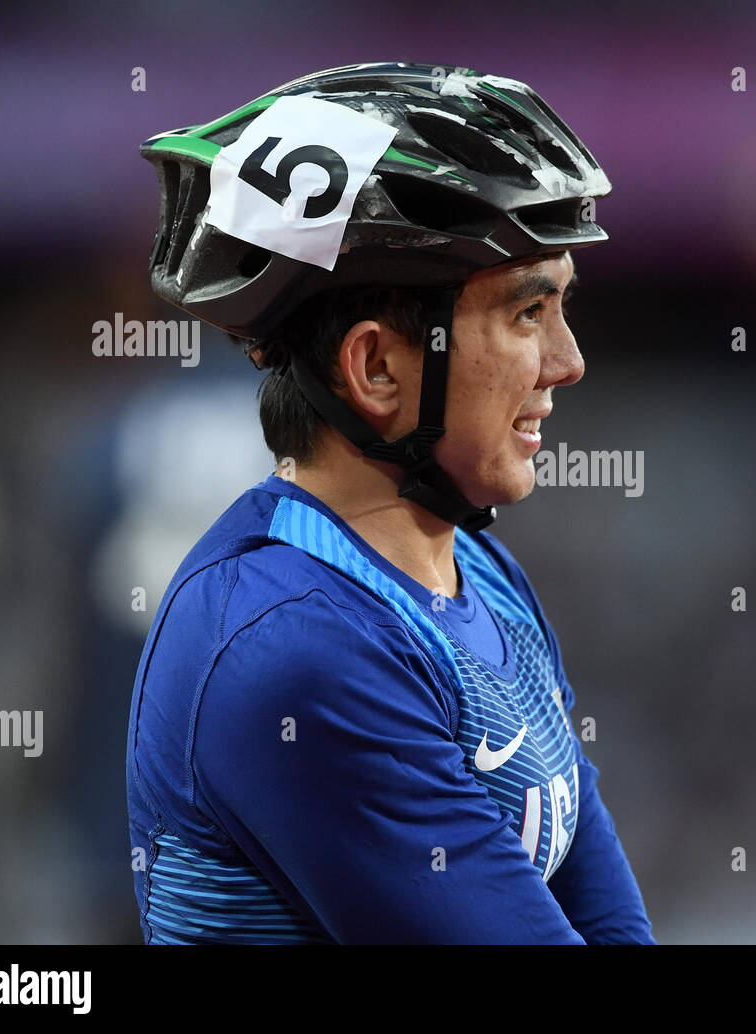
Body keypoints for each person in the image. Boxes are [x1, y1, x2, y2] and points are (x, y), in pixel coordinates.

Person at [125, 62, 654, 944]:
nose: (568, 362)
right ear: (377, 369)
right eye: (528, 314)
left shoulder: (474, 565)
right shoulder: (297, 651)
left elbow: (605, 917)